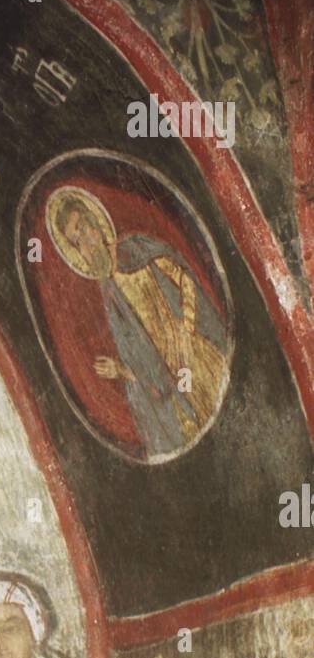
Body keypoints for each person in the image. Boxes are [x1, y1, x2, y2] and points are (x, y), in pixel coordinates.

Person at [46, 186, 228, 458]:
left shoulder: (136, 247)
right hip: (170, 382)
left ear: (97, 225)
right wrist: (120, 368)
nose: (86, 243)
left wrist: (186, 330)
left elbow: (183, 278)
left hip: (193, 355)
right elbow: (142, 363)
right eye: (77, 241)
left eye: (84, 229)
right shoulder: (109, 292)